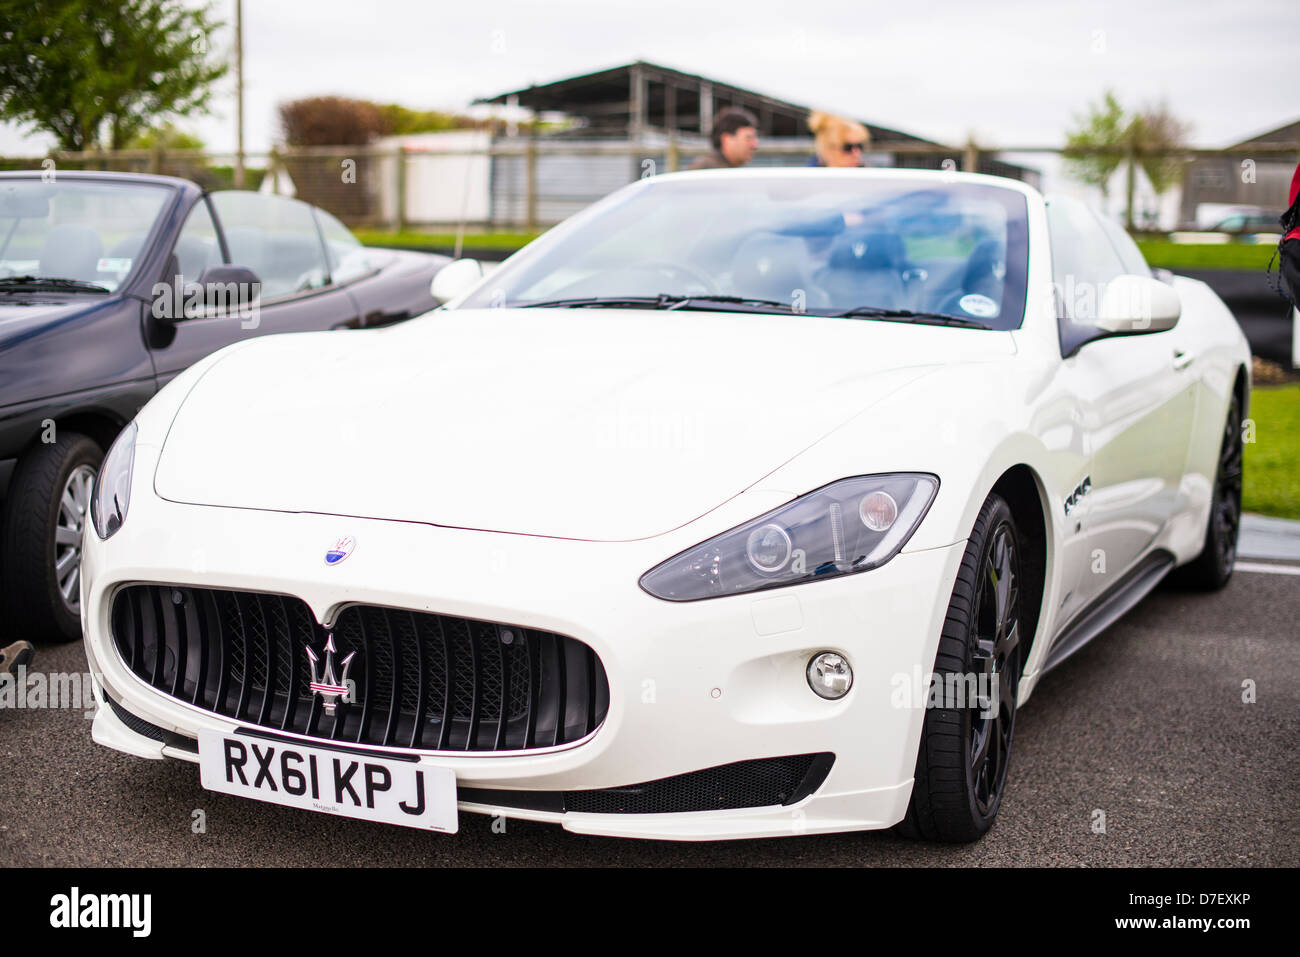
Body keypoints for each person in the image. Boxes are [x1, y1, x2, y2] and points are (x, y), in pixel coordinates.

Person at [689, 107, 759, 170]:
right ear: (727, 139)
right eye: (748, 138)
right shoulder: (707, 172)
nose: (755, 145)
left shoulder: (724, 170)